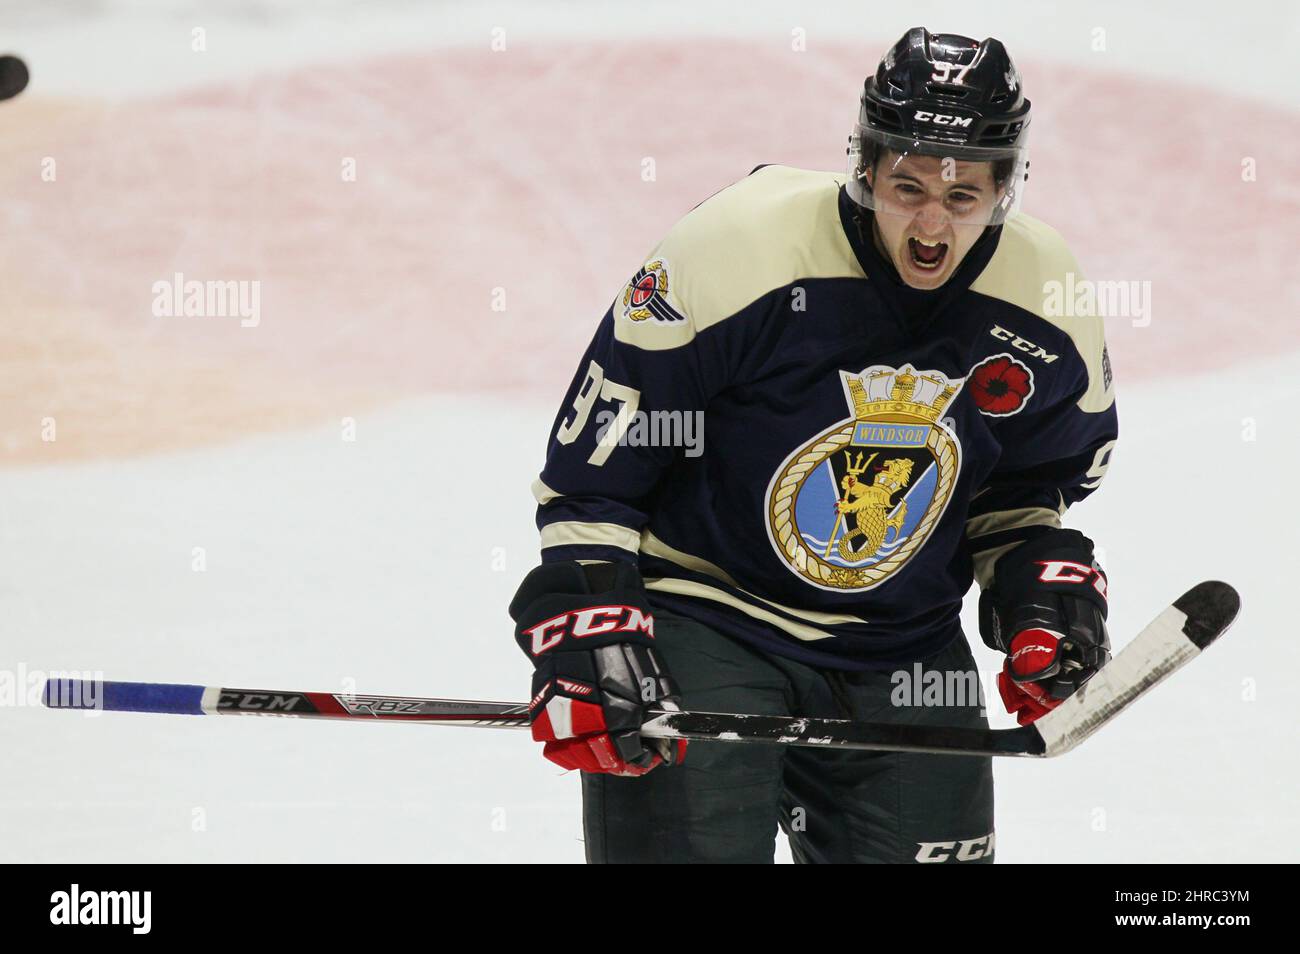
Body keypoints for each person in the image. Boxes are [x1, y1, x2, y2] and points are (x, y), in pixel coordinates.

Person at [509, 27, 1116, 863]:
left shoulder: (1044, 299)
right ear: (864, 166)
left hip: (904, 649)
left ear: (1006, 187)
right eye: (907, 186)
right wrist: (586, 625)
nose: (932, 223)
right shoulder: (737, 249)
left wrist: (1038, 591)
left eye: (963, 196)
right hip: (708, 618)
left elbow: (1021, 487)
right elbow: (594, 479)